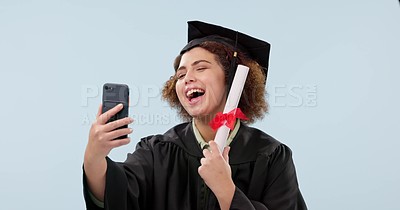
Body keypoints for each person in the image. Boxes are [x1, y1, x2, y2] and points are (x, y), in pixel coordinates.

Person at [83, 20, 307, 210]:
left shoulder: (271, 156)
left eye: (200, 68)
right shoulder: (157, 151)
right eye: (180, 74)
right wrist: (94, 157)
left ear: (232, 79)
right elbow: (118, 195)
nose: (187, 78)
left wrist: (227, 192)